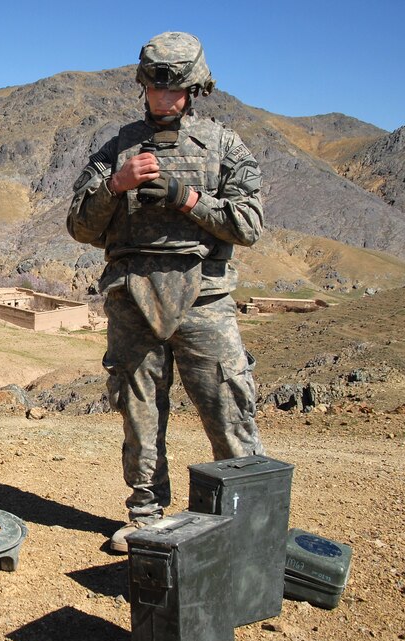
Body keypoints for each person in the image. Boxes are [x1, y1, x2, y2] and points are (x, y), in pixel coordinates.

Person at [66, 31, 265, 553]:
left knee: (228, 405)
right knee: (139, 410)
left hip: (205, 297)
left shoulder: (224, 146)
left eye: (176, 87)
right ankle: (146, 514)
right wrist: (116, 185)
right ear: (142, 85)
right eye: (157, 86)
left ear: (196, 87)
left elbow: (248, 224)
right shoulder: (116, 149)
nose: (165, 96)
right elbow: (80, 227)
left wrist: (189, 198)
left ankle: (247, 522)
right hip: (133, 297)